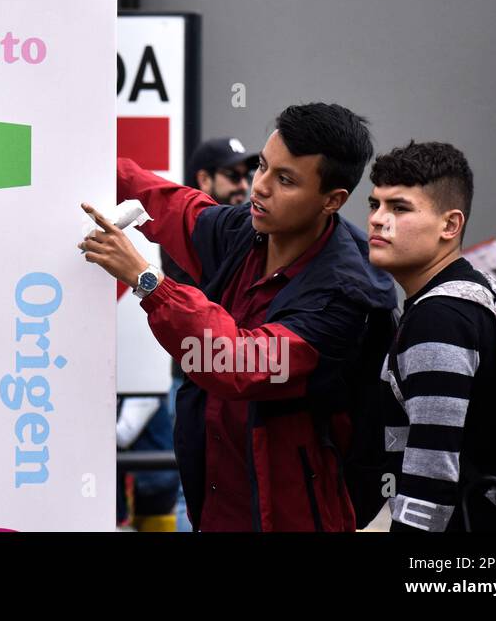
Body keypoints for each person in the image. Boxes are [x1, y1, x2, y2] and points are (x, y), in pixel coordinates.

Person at [81, 102, 397, 531]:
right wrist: (77, 151)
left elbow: (236, 363)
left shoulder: (345, 295)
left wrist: (146, 280)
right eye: (263, 167)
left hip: (295, 517)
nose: (259, 187)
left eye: (284, 180)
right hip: (217, 507)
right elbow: (166, 202)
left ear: (332, 200)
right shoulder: (244, 232)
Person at [365, 141, 496, 531]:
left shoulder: (439, 318)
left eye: (399, 207)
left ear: (450, 225)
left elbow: (430, 478)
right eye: (374, 205)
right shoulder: (482, 295)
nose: (379, 219)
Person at [158, 136, 258, 532]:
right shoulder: (196, 235)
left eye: (248, 174)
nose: (243, 185)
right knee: (196, 493)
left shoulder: (246, 229)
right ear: (203, 178)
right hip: (197, 383)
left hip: (239, 379)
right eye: (232, 175)